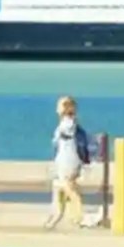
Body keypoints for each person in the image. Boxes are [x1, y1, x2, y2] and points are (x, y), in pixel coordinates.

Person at [45, 95, 87, 230]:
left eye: (59, 105)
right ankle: (56, 217)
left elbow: (67, 138)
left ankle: (80, 216)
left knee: (68, 187)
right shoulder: (66, 123)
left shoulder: (67, 123)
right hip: (64, 161)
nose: (56, 108)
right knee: (59, 188)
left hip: (68, 161)